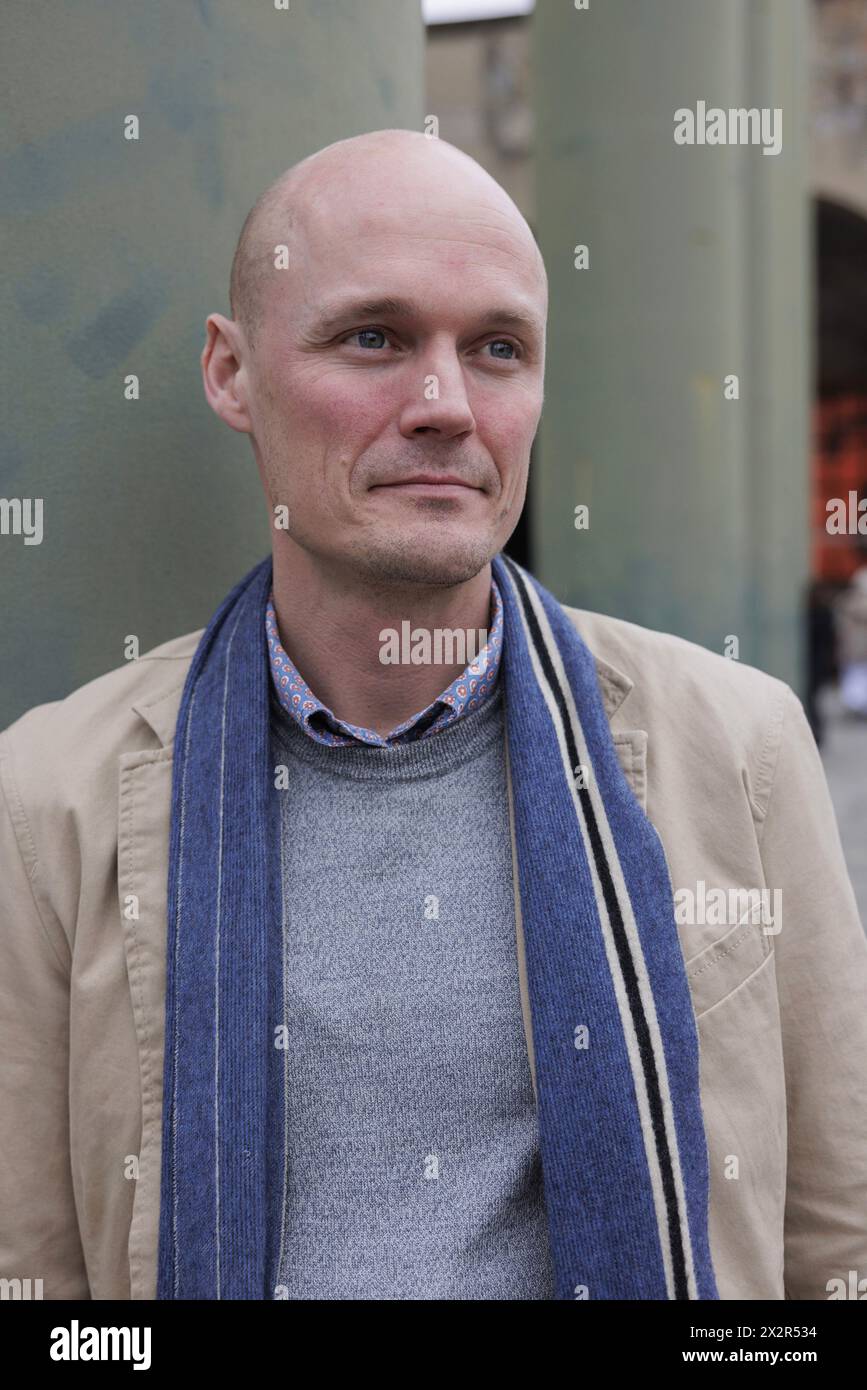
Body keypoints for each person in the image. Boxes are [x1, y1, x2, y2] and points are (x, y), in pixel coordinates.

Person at [1, 129, 866, 1303]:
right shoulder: (48, 796)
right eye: (376, 338)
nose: (446, 405)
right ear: (230, 373)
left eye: (498, 348)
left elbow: (836, 1236)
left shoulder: (741, 745)